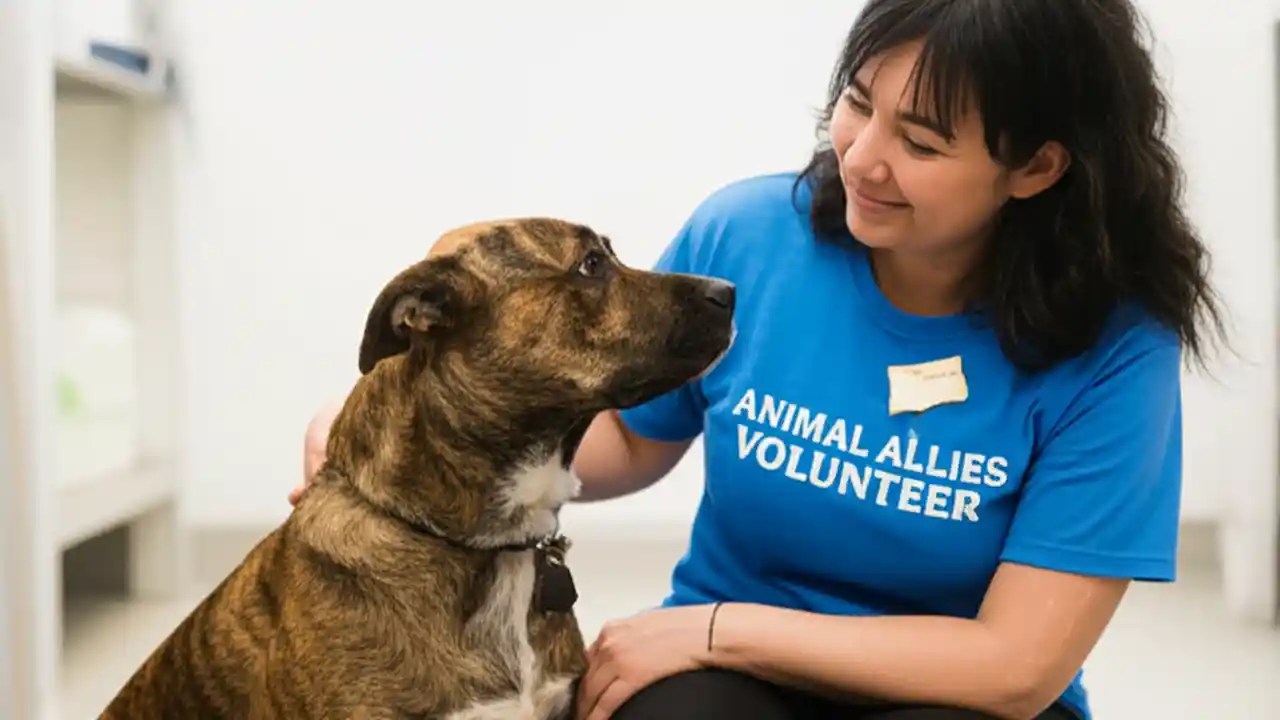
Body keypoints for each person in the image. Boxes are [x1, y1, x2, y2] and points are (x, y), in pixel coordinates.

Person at [292, 0, 1227, 718]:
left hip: (954, 695)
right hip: (725, 678)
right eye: (859, 105)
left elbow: (1015, 668)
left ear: (1035, 168)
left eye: (922, 141)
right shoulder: (751, 236)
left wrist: (719, 629)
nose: (861, 158)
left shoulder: (1113, 349)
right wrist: (394, 432)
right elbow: (617, 437)